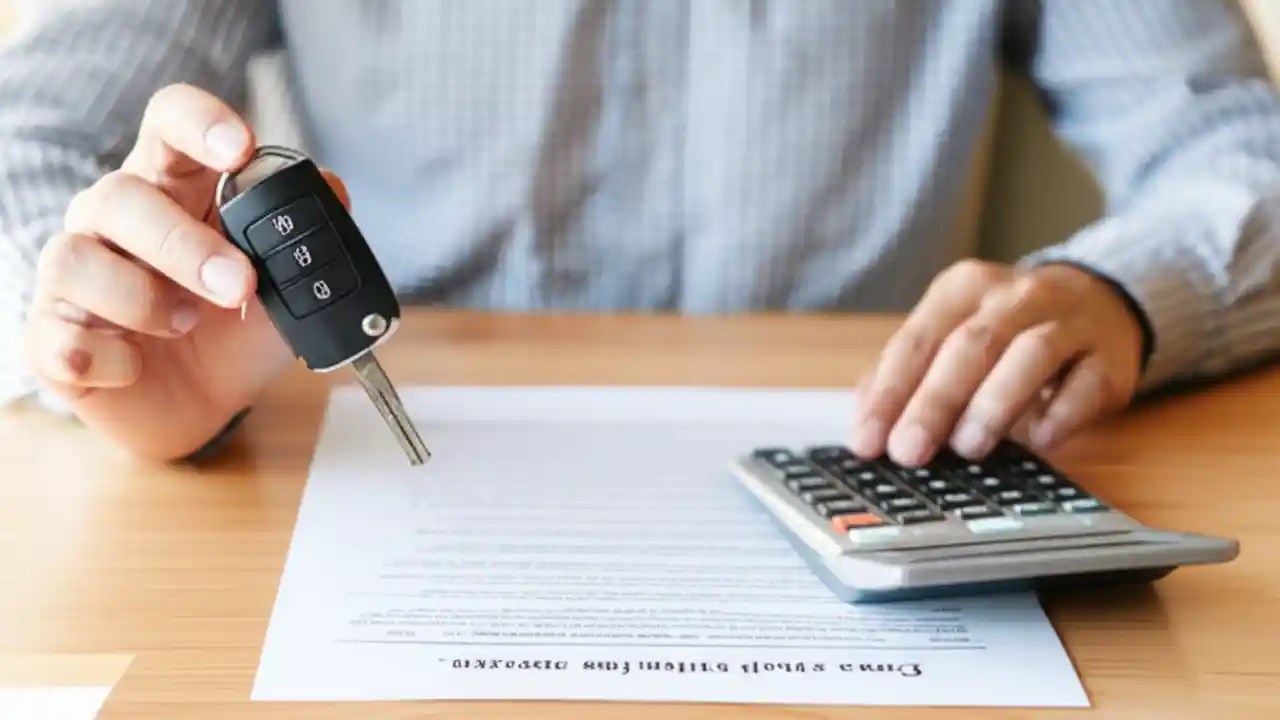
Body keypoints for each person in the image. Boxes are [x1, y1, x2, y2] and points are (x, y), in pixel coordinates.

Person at [2, 1, 1280, 464]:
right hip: (371, 464)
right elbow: (27, 138)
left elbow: (1235, 147)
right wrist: (103, 338)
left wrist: (1118, 291)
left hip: (878, 451)